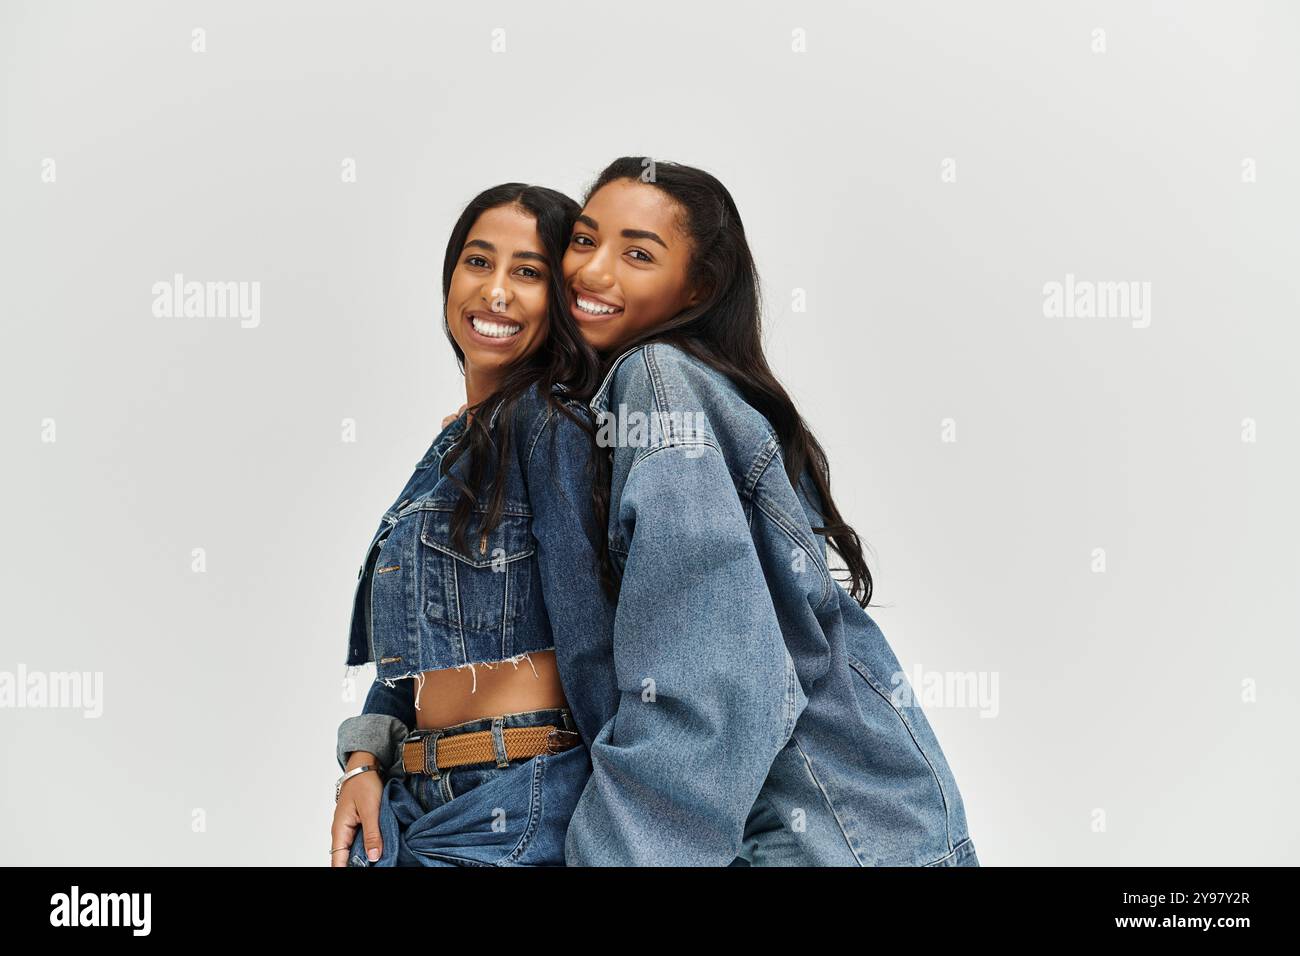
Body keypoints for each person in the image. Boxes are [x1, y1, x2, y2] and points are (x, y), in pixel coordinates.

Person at [551, 157, 980, 866]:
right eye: (584, 239)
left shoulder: (656, 380)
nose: (593, 273)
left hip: (824, 834)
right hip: (863, 827)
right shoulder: (662, 394)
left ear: (700, 286)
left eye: (636, 254)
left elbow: (710, 681)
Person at [329, 183, 611, 867]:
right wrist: (363, 761)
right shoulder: (454, 445)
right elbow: (416, 649)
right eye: (478, 262)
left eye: (528, 272)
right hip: (407, 802)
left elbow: (596, 643)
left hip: (513, 799)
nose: (495, 292)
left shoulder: (555, 426)